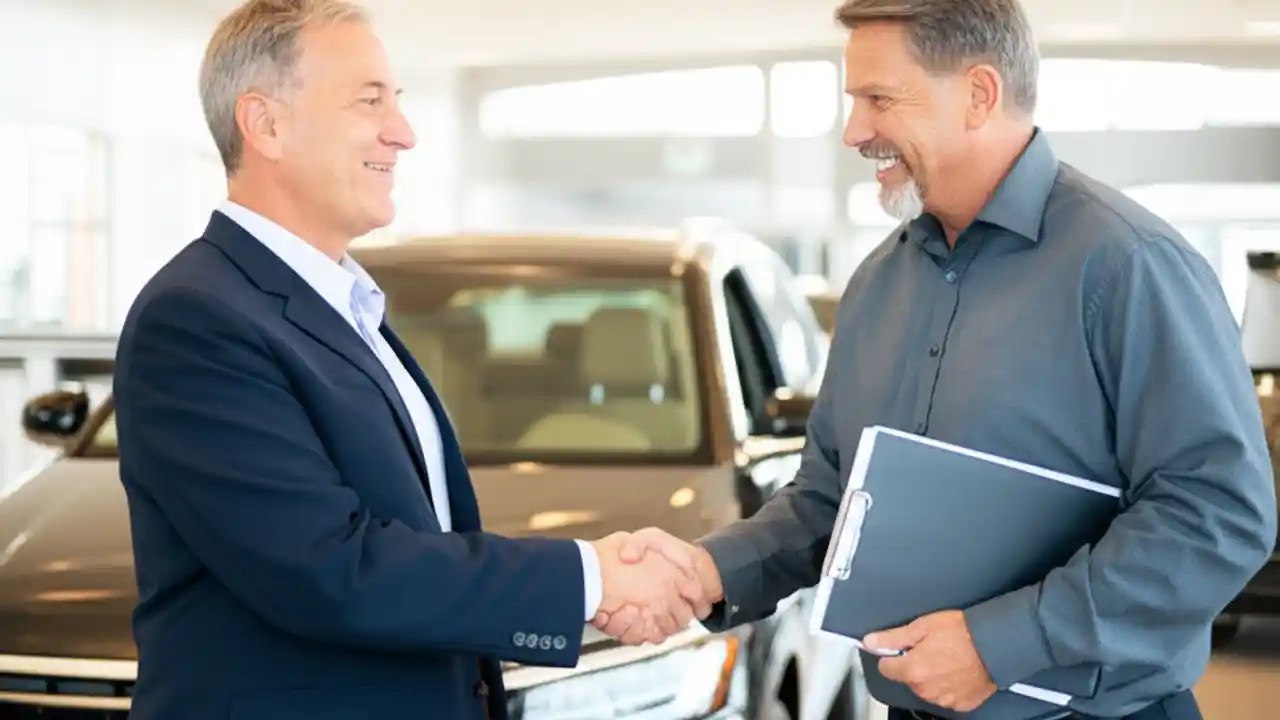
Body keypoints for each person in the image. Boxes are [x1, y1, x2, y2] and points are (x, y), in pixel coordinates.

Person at [597, 1, 1278, 719]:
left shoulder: (1129, 267)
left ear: (980, 95)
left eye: (879, 99)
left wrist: (998, 644)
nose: (855, 130)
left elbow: (1217, 514)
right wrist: (706, 570)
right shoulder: (878, 284)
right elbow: (832, 500)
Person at [112, 1, 698, 718]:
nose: (404, 132)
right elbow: (330, 567)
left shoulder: (345, 306)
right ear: (265, 123)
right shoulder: (199, 318)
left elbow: (419, 543)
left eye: (398, 101)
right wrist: (591, 580)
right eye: (370, 101)